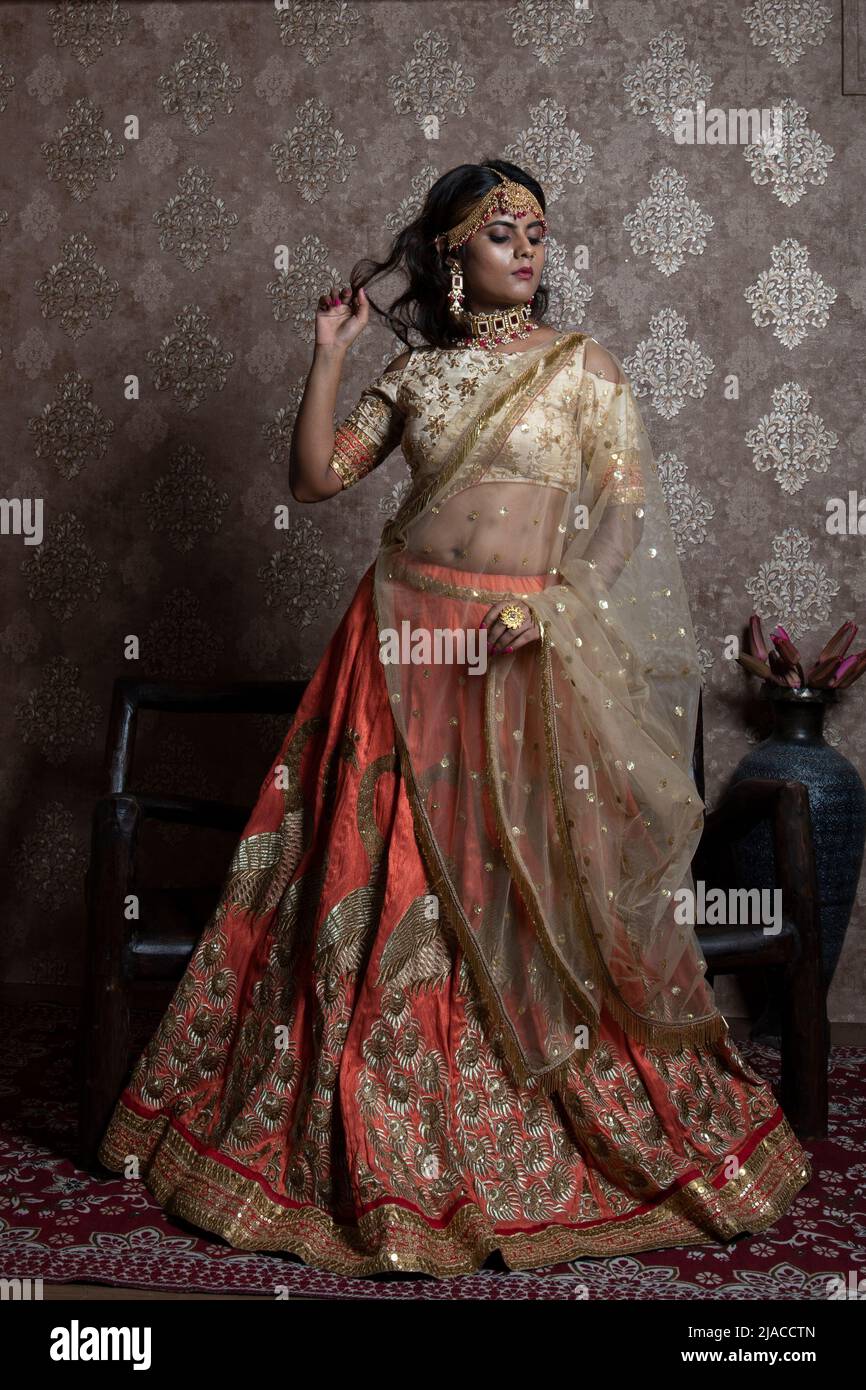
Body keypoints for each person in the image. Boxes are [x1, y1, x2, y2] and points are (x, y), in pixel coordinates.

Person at [97, 159, 813, 1277]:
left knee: (516, 890)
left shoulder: (582, 372)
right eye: (500, 233)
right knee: (378, 891)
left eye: (537, 232)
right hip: (394, 651)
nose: (526, 250)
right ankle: (377, 1106)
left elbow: (619, 517)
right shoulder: (417, 374)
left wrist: (554, 608)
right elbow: (316, 479)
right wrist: (329, 358)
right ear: (449, 256)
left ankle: (536, 1110)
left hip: (516, 660)